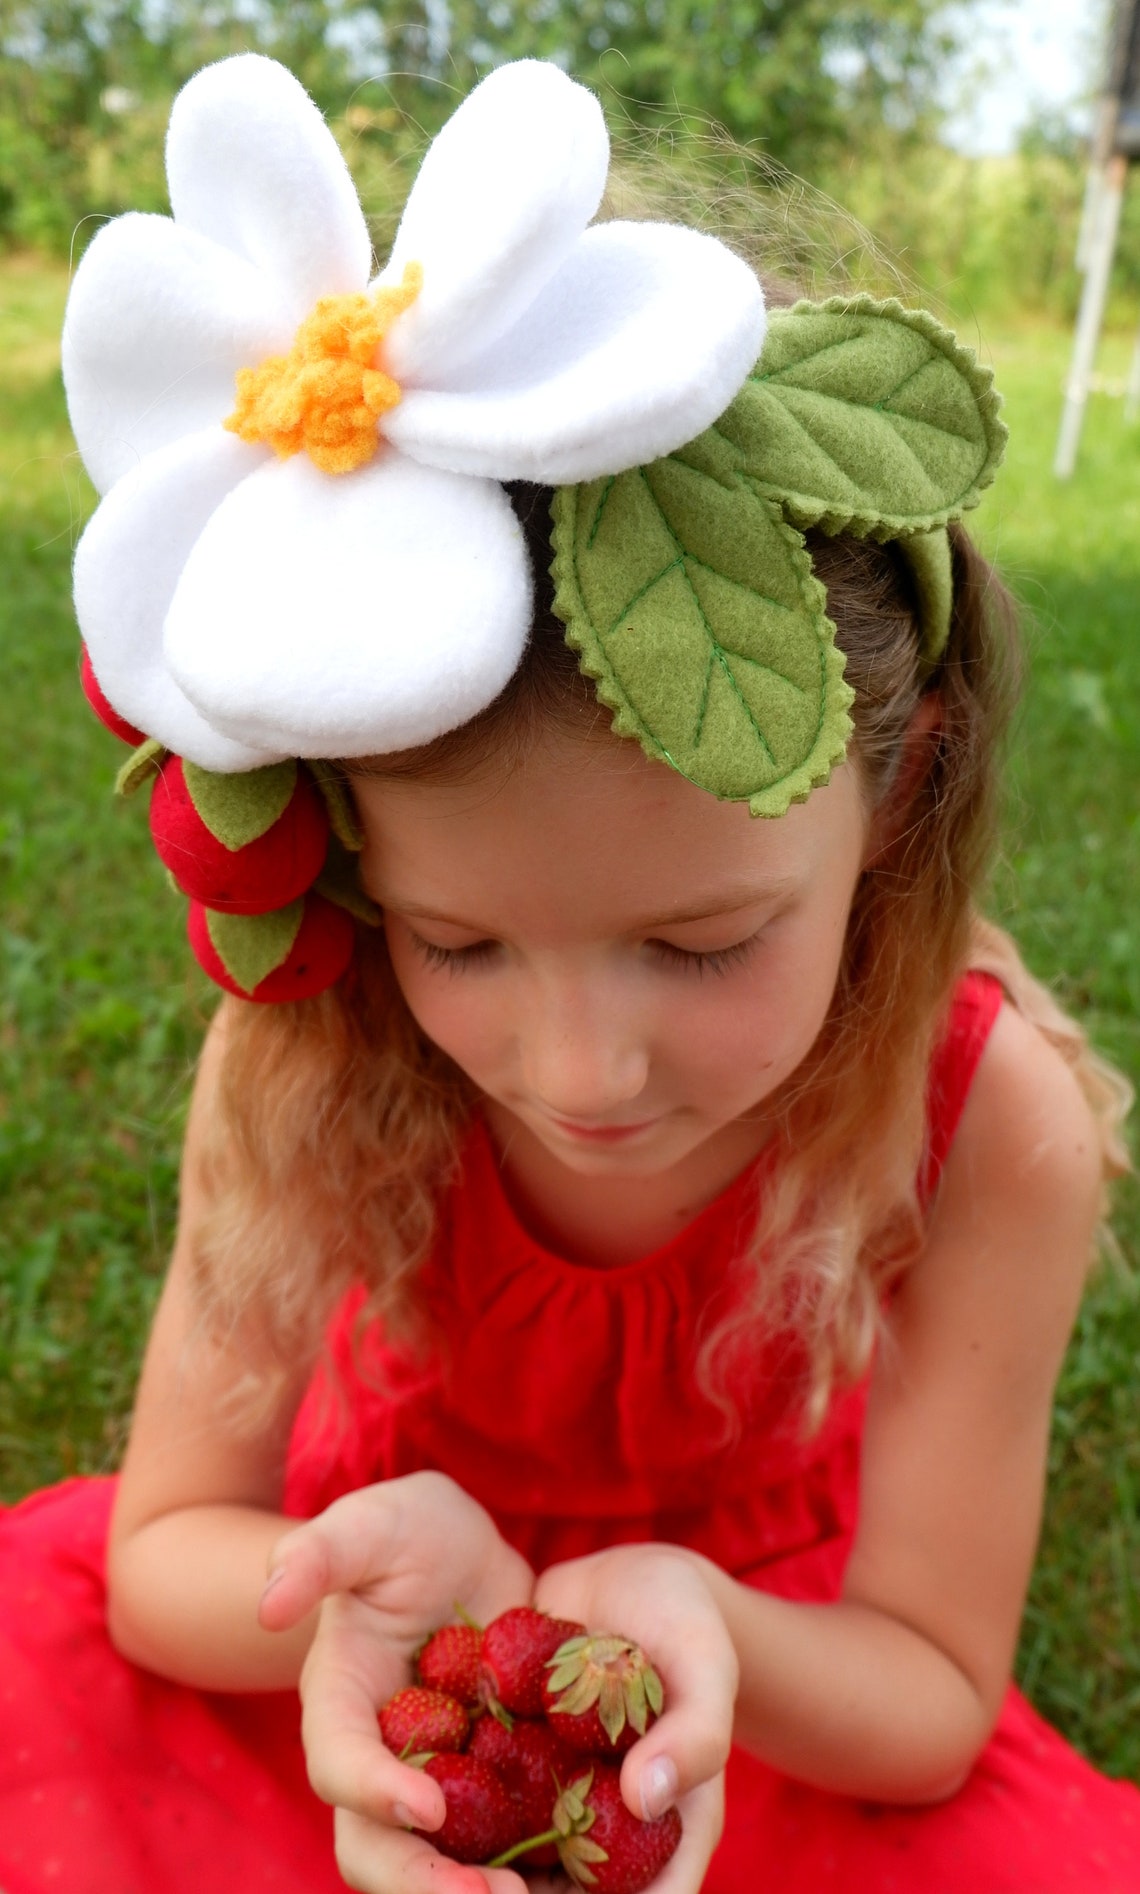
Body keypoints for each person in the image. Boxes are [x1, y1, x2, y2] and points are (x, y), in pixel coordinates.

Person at [0, 47, 1137, 1894]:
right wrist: (370, 1627)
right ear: (354, 867)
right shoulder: (307, 1049)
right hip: (358, 1636)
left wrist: (711, 1629)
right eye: (456, 941)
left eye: (702, 942)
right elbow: (163, 1555)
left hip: (776, 1700)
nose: (581, 1066)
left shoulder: (989, 1127)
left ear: (903, 785)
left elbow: (930, 1687)